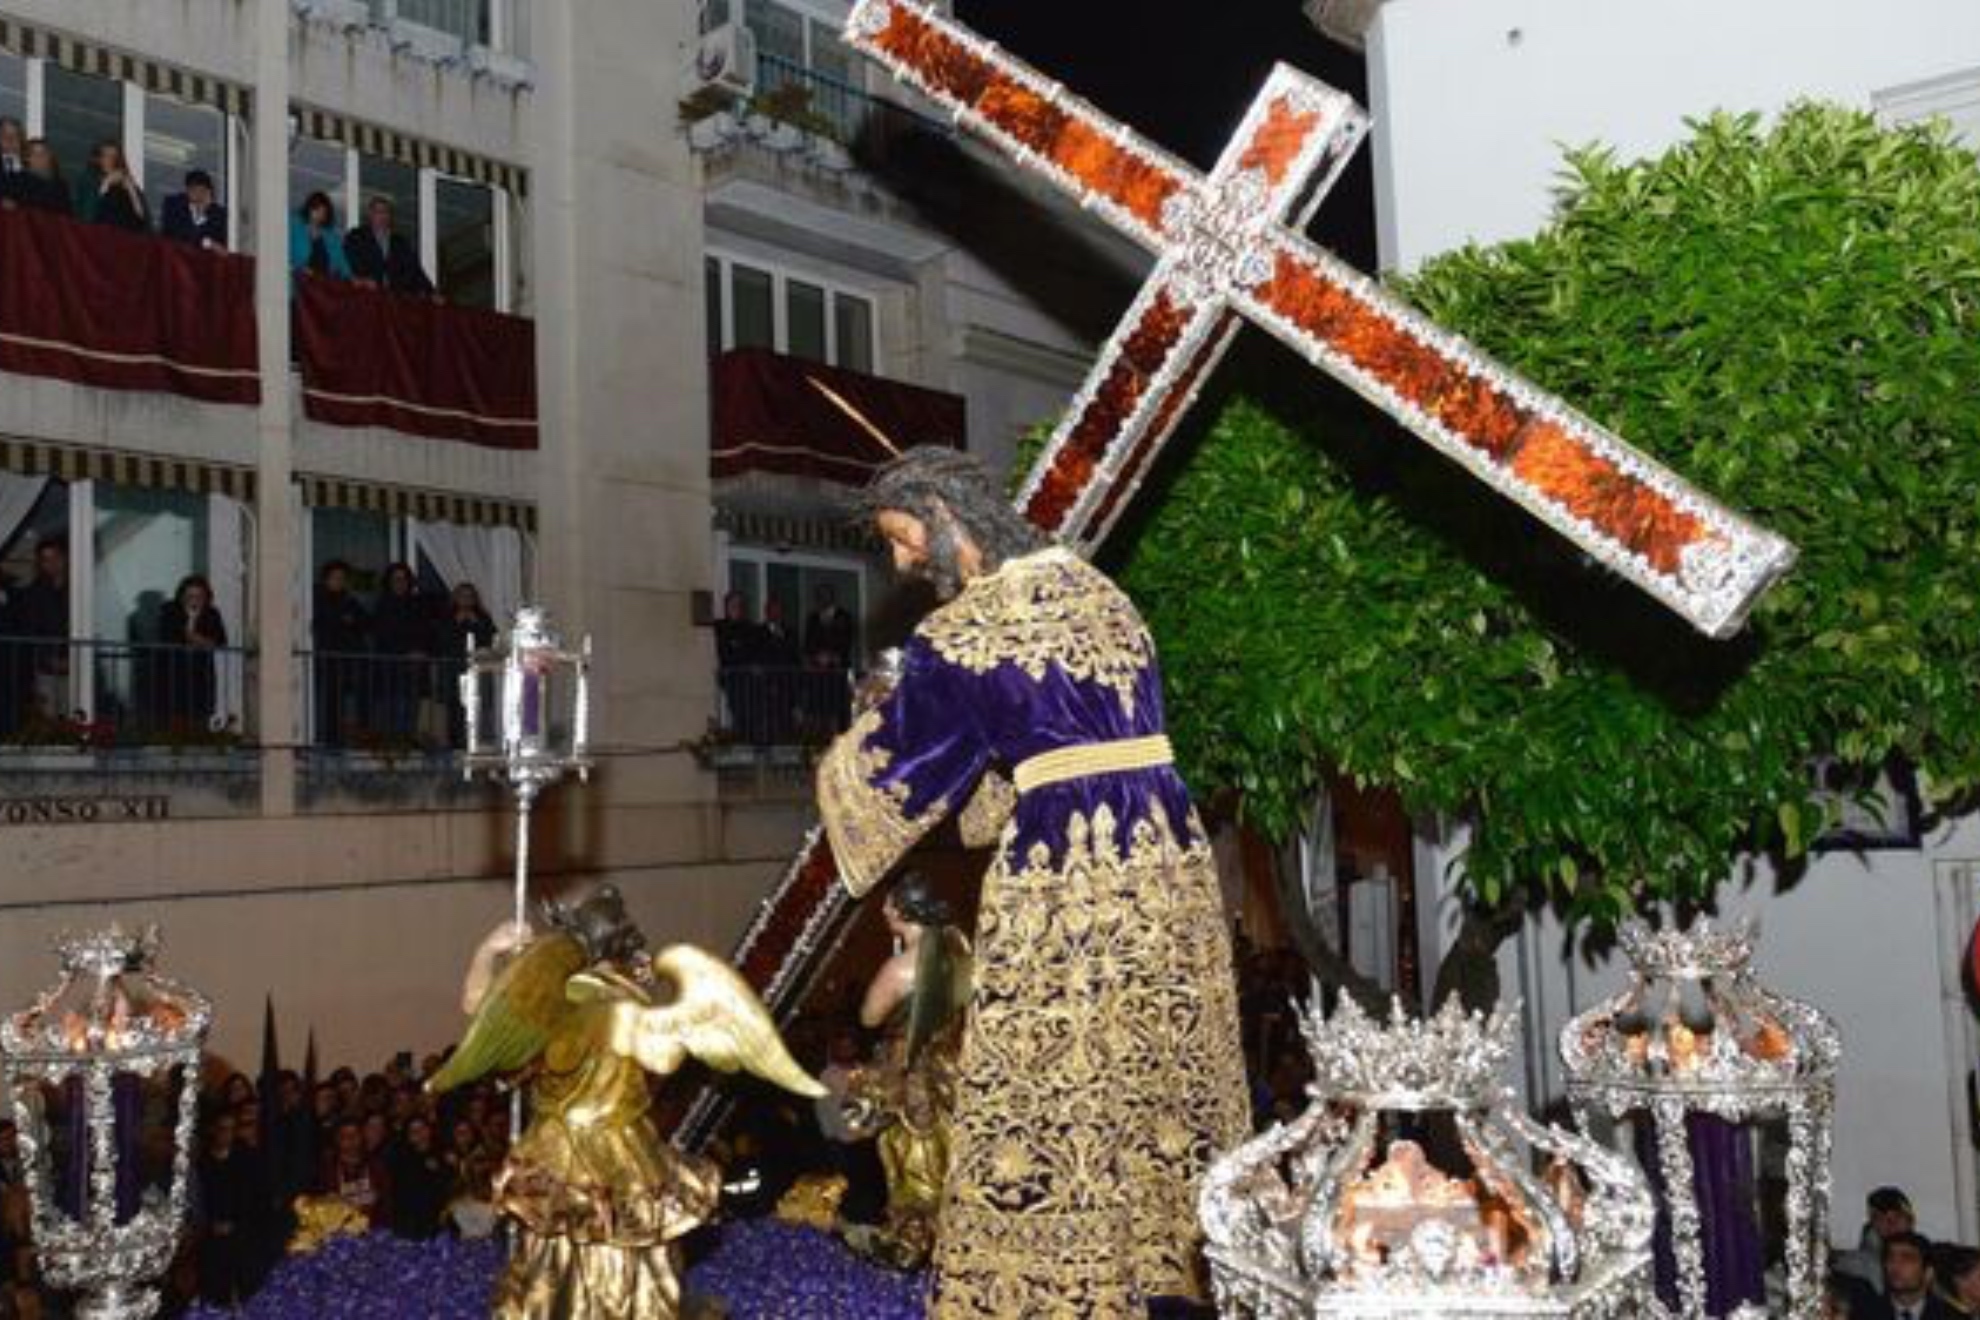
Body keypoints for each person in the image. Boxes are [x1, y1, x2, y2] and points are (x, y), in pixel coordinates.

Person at [813, 446, 1250, 1315]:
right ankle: (1179, 1260)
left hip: (1068, 869)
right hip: (1166, 856)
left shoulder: (962, 631)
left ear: (943, 515)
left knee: (1054, 1070)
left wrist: (845, 749)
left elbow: (908, 766)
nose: (902, 563)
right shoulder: (1102, 593)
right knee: (1152, 1062)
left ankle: (1056, 1283)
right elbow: (1048, 732)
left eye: (903, 540)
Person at [836, 872, 970, 1269]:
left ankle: (914, 1246)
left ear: (906, 910)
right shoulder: (961, 951)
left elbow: (870, 1017)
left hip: (910, 1079)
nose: (883, 909)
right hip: (953, 1071)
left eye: (890, 903)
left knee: (911, 1163)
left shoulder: (899, 970)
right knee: (951, 1158)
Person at [153, 575, 227, 733]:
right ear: (181, 596)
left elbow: (220, 641)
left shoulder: (212, 613)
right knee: (174, 724)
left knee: (200, 722)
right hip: (173, 676)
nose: (194, 600)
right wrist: (197, 638)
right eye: (189, 596)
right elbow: (166, 637)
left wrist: (194, 637)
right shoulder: (170, 610)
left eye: (199, 596)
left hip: (201, 676)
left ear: (206, 598)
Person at [370, 562, 430, 742]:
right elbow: (383, 636)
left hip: (414, 669)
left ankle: (407, 743)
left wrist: (422, 652)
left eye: (404, 579)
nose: (400, 583)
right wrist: (406, 653)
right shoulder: (383, 605)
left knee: (411, 708)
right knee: (392, 707)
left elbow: (426, 632)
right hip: (390, 667)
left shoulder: (418, 604)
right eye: (396, 579)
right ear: (389, 582)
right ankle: (393, 745)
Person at [311, 561, 369, 745]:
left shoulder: (349, 600)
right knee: (325, 701)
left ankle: (340, 739)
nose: (339, 581)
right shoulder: (316, 598)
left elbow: (365, 622)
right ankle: (325, 739)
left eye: (342, 578)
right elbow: (320, 624)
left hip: (345, 661)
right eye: (335, 578)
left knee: (342, 703)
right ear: (326, 579)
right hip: (325, 659)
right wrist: (341, 620)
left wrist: (350, 621)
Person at [14, 541, 69, 725]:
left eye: (56, 557)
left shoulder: (78, 590)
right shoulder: (32, 594)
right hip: (46, 671)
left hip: (77, 668)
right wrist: (50, 660)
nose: (52, 563)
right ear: (40, 564)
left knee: (75, 720)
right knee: (49, 723)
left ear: (64, 559)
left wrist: (73, 659)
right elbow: (30, 632)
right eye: (46, 559)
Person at [345, 195, 434, 296]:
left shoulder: (400, 243)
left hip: (395, 298)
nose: (383, 216)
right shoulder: (356, 237)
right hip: (366, 296)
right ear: (370, 214)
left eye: (386, 212)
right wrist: (364, 280)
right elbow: (350, 265)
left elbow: (415, 270)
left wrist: (432, 292)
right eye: (378, 212)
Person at [1841, 1187, 1920, 1292]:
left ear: (1911, 1220)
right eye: (1881, 1218)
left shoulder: (1930, 1260)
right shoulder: (1855, 1265)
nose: (1891, 1223)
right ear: (1872, 1223)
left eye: (1897, 1216)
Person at [1871, 1231, 1959, 1320]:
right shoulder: (1867, 1313)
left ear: (1928, 1272)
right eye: (1890, 1258)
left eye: (1907, 1259)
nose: (1895, 1265)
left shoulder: (1951, 1316)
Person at [75, 141, 147, 232]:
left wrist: (131, 190)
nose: (111, 160)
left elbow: (141, 221)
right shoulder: (89, 181)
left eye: (114, 156)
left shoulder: (125, 185)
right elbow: (87, 217)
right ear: (98, 159)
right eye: (106, 155)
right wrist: (106, 183)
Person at [289, 191, 353, 282]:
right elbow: (284, 255)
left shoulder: (331, 235)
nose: (318, 215)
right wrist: (299, 268)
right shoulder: (294, 226)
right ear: (309, 209)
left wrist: (351, 277)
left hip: (324, 283)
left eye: (322, 212)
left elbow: (341, 260)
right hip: (299, 283)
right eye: (316, 210)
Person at [159, 168, 227, 249]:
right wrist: (207, 242)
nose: (198, 195)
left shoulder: (218, 214)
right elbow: (182, 237)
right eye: (194, 190)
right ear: (187, 190)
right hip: (176, 256)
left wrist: (204, 211)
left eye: (202, 191)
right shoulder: (173, 205)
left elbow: (220, 243)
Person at [17, 140, 71, 216]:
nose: (39, 158)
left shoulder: (60, 185)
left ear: (50, 157)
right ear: (27, 158)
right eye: (34, 154)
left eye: (43, 153)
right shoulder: (19, 182)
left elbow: (67, 215)